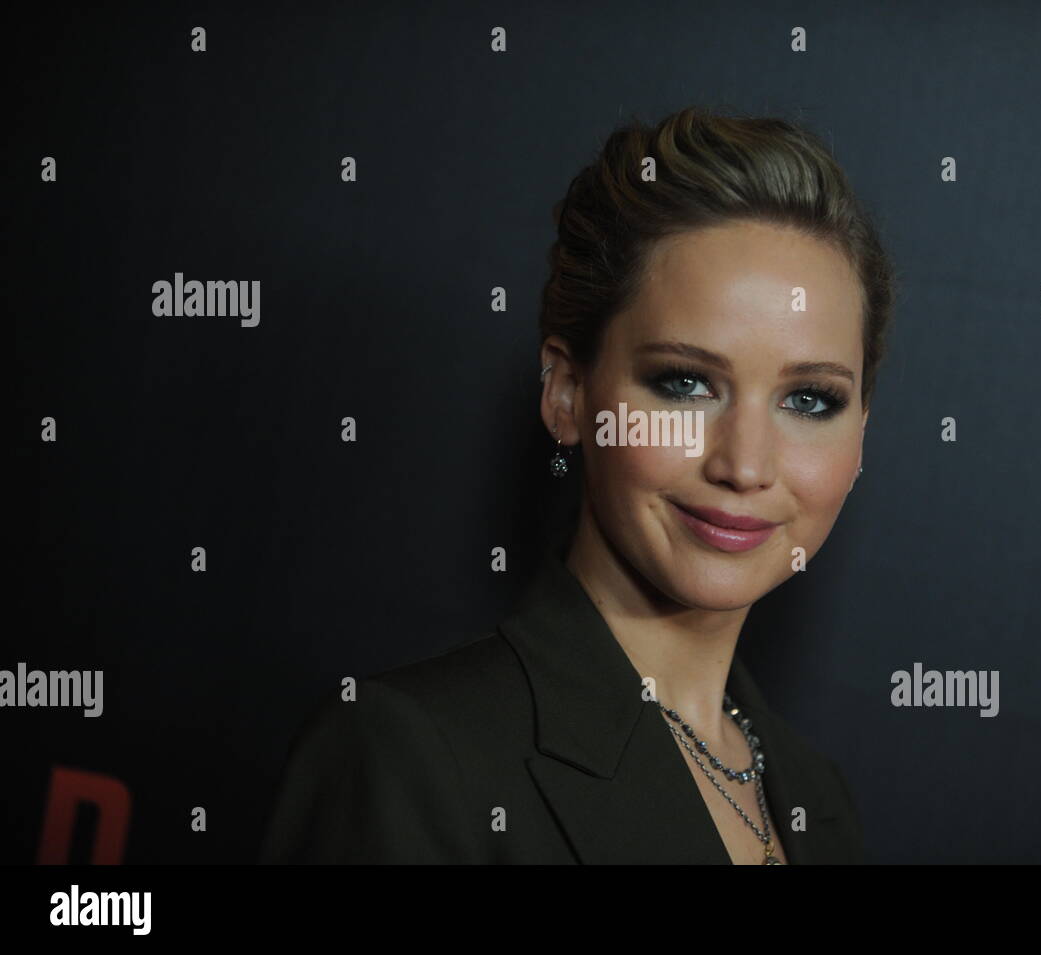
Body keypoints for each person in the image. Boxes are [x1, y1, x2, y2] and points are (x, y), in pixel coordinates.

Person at [260, 106, 896, 864]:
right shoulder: (409, 758)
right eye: (685, 383)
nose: (746, 464)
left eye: (809, 399)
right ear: (567, 394)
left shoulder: (820, 806)